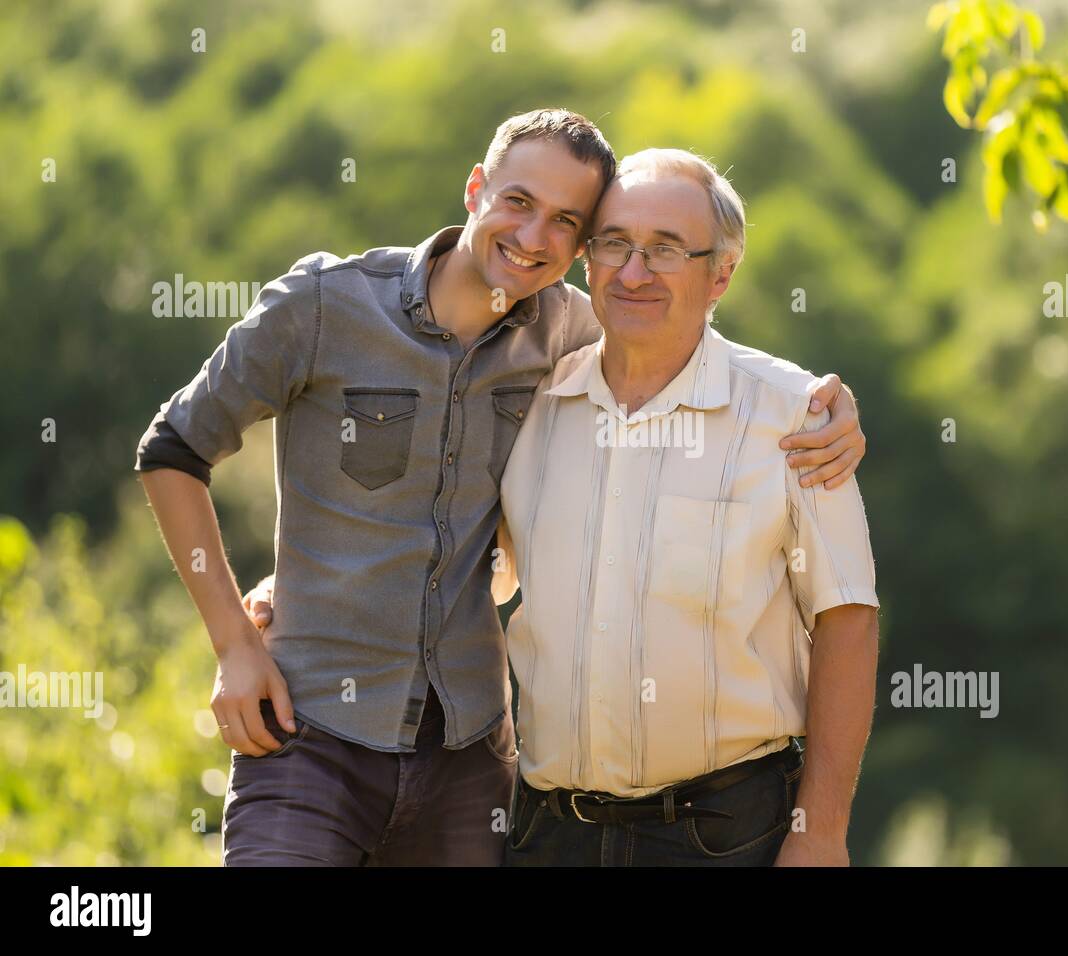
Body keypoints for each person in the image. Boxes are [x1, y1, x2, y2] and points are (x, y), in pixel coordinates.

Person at [136, 110, 867, 866]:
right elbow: (173, 448)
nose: (533, 236)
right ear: (475, 188)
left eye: (566, 222)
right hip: (311, 732)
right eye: (518, 202)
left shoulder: (568, 337)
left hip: (468, 758)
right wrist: (232, 642)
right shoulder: (324, 305)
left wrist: (826, 404)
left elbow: (681, 337)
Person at [493, 148, 880, 866]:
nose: (634, 272)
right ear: (586, 259)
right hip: (545, 834)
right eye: (615, 244)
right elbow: (461, 553)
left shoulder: (797, 416)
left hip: (726, 834)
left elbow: (847, 617)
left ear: (721, 274)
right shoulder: (523, 400)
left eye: (665, 250)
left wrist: (820, 830)